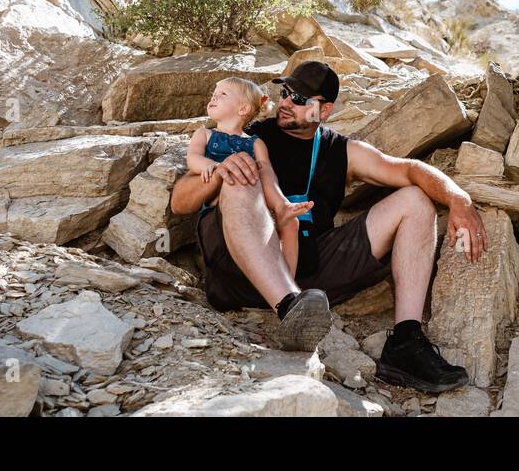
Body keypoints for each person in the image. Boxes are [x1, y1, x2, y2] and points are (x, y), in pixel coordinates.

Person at [171, 60, 489, 392]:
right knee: (241, 174)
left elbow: (407, 169)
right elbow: (180, 201)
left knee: (416, 200)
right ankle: (287, 306)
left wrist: (458, 199)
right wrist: (221, 173)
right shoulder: (250, 136)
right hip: (238, 272)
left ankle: (406, 342)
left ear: (324, 111)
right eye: (285, 93)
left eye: (298, 98)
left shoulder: (340, 150)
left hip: (310, 275)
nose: (286, 102)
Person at [184, 77, 312, 279]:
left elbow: (269, 175)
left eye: (222, 95)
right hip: (218, 201)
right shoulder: (205, 134)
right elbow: (193, 158)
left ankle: (289, 282)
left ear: (242, 109)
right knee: (238, 176)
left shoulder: (255, 143)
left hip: (253, 201)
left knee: (291, 220)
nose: (214, 98)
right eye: (213, 95)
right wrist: (212, 166)